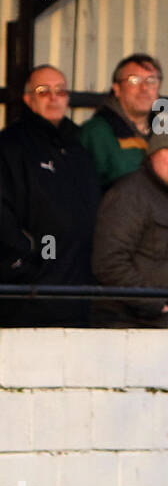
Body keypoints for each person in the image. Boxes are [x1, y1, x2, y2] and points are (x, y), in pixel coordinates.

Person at [0, 65, 101, 327]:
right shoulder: (11, 145)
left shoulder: (78, 146)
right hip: (30, 294)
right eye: (43, 91)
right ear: (28, 99)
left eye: (60, 91)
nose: (53, 97)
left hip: (80, 290)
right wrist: (27, 262)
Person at [91, 130, 168, 328]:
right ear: (153, 153)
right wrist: (156, 305)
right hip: (139, 330)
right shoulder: (129, 195)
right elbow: (108, 262)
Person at [80, 53, 163, 188]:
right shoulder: (95, 134)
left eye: (151, 80)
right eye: (134, 80)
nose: (144, 88)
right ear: (117, 89)